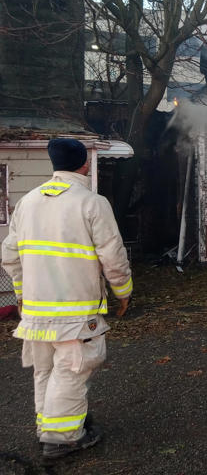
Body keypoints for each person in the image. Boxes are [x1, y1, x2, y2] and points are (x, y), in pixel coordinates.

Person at [1, 138, 133, 460]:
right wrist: (123, 291)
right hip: (75, 312)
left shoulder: (28, 202)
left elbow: (10, 256)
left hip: (36, 313)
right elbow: (113, 256)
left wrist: (22, 295)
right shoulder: (92, 203)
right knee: (72, 370)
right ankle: (61, 439)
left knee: (45, 371)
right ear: (84, 164)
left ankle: (48, 427)